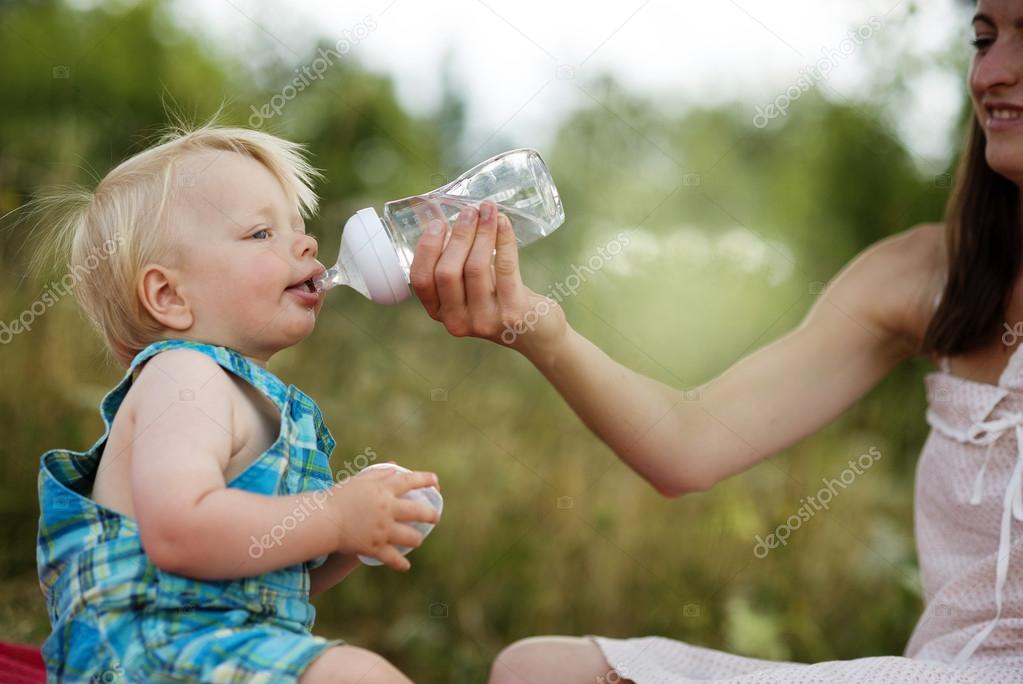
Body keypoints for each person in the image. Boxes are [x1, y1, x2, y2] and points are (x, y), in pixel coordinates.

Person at [409, 1, 1023, 681]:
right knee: (540, 670)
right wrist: (536, 326)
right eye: (981, 38)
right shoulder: (920, 275)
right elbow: (689, 442)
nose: (991, 71)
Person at [33, 124, 441, 683]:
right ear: (169, 296)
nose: (307, 244)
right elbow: (179, 531)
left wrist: (356, 535)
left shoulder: (261, 401)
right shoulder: (184, 377)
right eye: (260, 234)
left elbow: (267, 567)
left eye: (297, 228)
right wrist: (335, 515)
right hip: (147, 650)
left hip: (219, 645)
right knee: (355, 674)